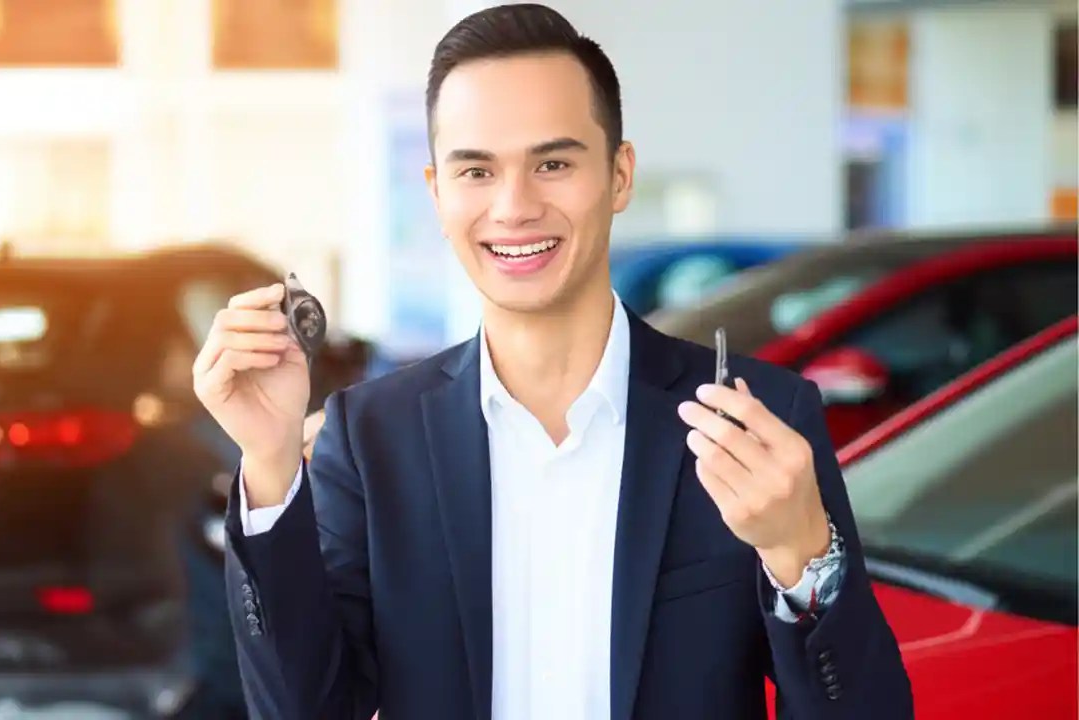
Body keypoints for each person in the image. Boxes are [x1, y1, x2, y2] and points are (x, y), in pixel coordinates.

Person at [192, 4, 913, 718]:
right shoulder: (372, 435)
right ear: (438, 194)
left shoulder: (758, 422)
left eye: (554, 163)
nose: (514, 206)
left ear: (619, 175)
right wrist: (270, 461)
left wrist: (803, 559)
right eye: (476, 171)